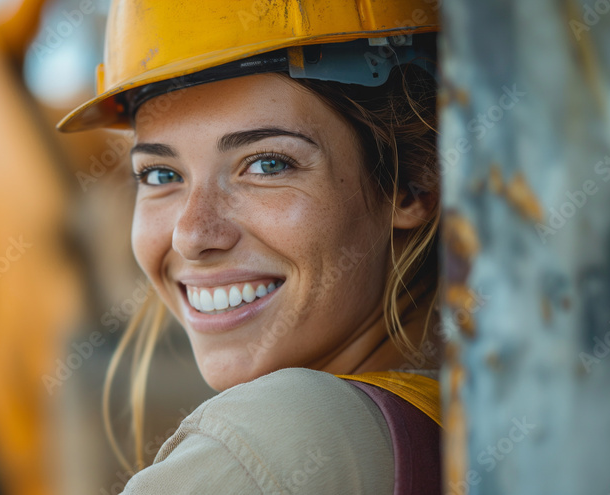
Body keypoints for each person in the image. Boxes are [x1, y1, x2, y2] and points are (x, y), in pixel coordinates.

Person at [57, 1, 443, 493]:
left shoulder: (267, 445)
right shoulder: (483, 417)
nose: (191, 236)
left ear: (414, 180)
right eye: (160, 175)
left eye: (266, 165)